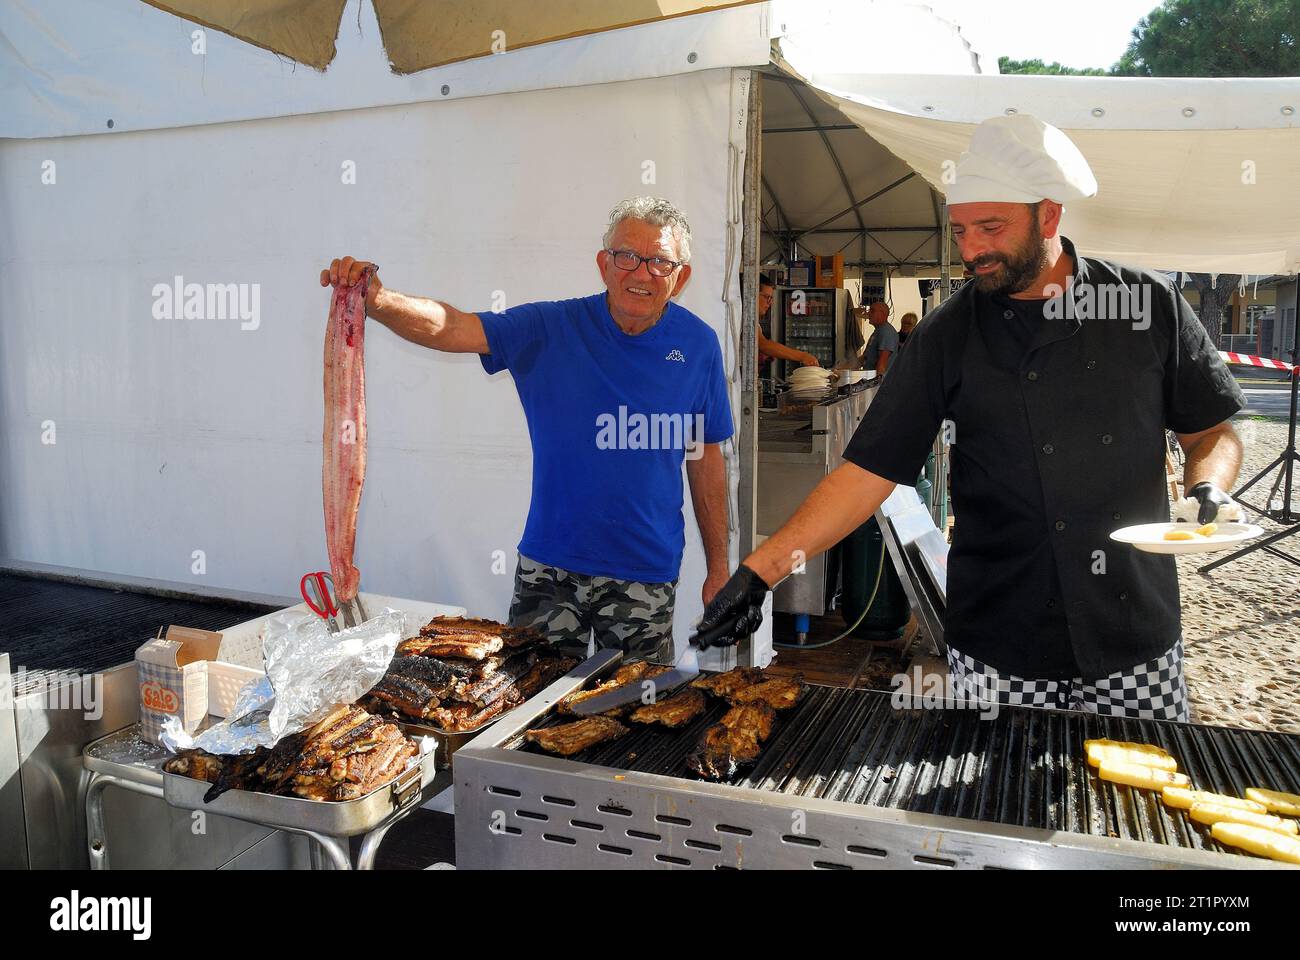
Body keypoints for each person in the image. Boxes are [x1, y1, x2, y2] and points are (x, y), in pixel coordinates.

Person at [692, 115, 1245, 721]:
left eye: (991, 226)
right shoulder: (946, 334)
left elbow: (1211, 429)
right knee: (996, 808)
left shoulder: (1146, 306)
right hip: (1002, 634)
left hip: (1132, 622)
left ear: (1049, 217)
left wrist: (1209, 487)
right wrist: (758, 573)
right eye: (960, 230)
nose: (973, 247)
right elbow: (867, 472)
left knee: (1135, 799)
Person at [322, 197, 734, 664]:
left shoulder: (698, 345)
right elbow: (453, 327)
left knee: (634, 713)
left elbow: (705, 456)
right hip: (550, 572)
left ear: (681, 277)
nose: (640, 273)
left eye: (659, 261)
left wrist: (718, 568)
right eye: (627, 257)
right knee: (529, 713)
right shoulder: (552, 327)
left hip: (647, 573)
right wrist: (378, 299)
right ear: (603, 265)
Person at [752, 274, 820, 370]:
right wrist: (802, 356)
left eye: (771, 298)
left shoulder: (752, 320)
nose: (769, 302)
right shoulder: (742, 318)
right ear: (751, 295)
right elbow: (763, 344)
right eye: (766, 297)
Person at [858, 301, 899, 377]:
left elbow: (882, 364)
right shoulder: (878, 331)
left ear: (882, 314)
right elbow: (865, 357)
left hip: (877, 382)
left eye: (872, 311)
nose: (869, 313)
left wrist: (877, 385)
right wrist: (846, 368)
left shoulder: (886, 333)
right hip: (868, 378)